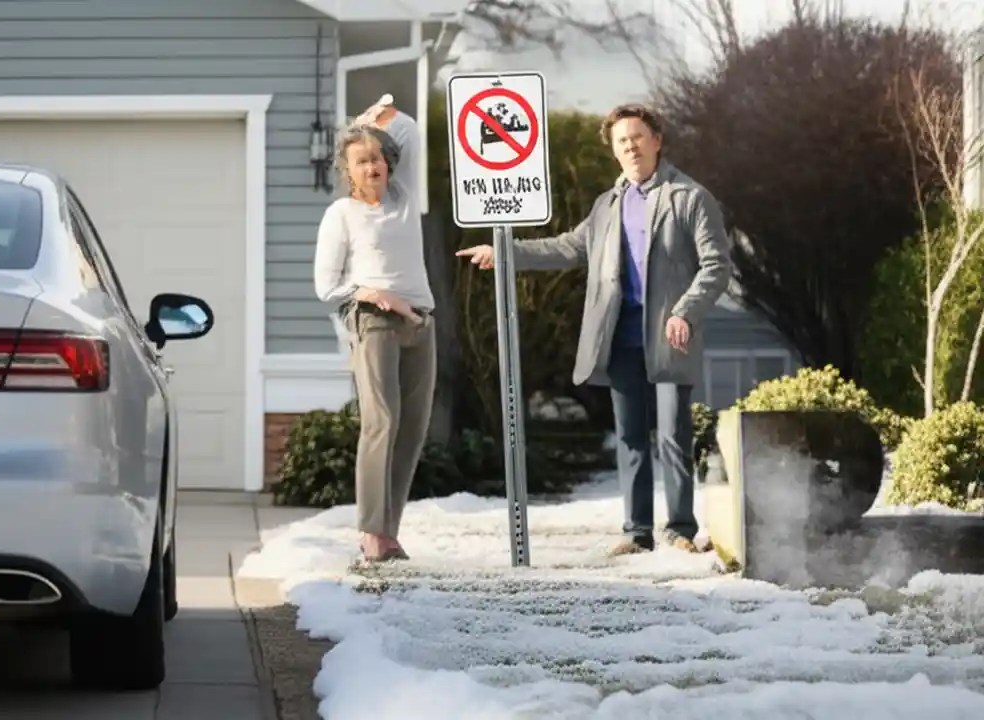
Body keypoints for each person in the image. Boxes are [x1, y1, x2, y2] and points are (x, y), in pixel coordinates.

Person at [457, 103, 732, 556]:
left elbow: (717, 266)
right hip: (619, 336)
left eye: (638, 137)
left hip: (668, 337)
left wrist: (685, 310)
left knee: (671, 435)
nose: (630, 146)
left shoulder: (690, 197)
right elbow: (567, 247)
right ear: (615, 151)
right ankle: (637, 532)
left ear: (657, 141)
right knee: (628, 436)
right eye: (622, 141)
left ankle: (680, 528)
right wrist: (503, 250)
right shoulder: (609, 204)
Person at [313, 95, 436, 562]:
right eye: (361, 161)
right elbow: (326, 285)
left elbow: (409, 131)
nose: (372, 166)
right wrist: (373, 294)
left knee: (412, 428)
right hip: (375, 321)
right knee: (381, 421)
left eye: (378, 158)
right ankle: (370, 531)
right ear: (350, 171)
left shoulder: (405, 200)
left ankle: (389, 531)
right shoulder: (341, 215)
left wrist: (373, 118)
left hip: (421, 319)